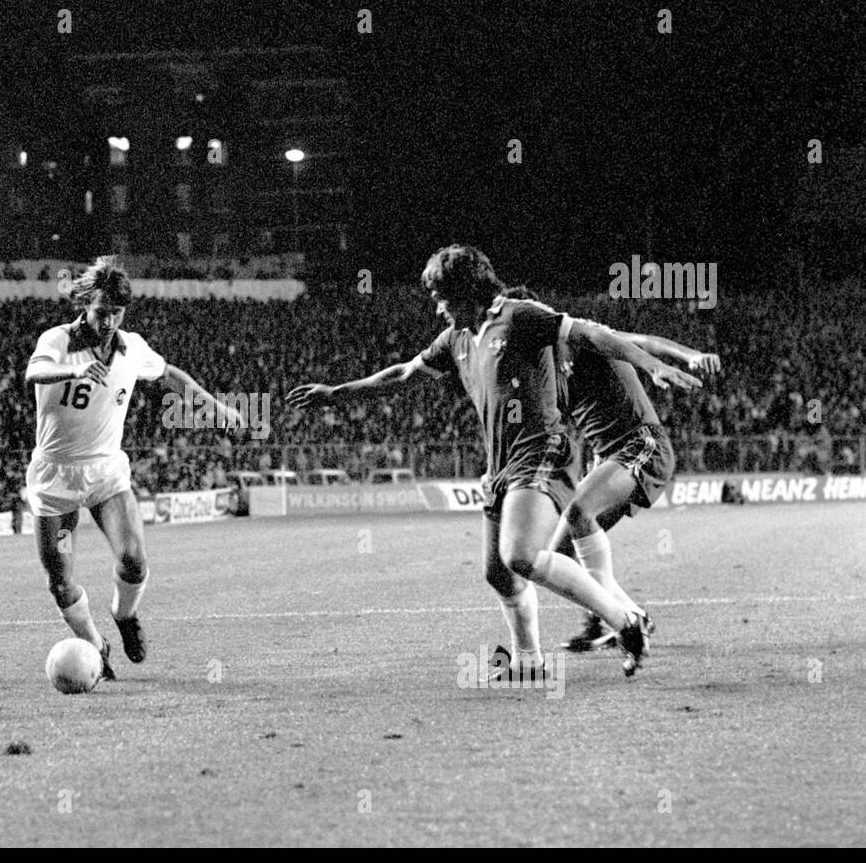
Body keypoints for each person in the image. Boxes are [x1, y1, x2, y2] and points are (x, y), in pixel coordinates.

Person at [288, 244, 702, 678]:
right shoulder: (456, 340)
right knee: (498, 573)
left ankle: (625, 621)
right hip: (501, 466)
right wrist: (338, 392)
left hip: (541, 452)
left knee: (520, 556)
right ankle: (529, 663)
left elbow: (592, 335)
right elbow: (404, 374)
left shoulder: (518, 316)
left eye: (440, 298)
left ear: (465, 291)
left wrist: (651, 365)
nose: (437, 309)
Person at [24, 255, 241, 679]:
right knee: (61, 582)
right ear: (86, 304)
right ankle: (94, 644)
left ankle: (124, 616)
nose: (107, 322)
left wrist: (216, 408)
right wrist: (77, 368)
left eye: (116, 314)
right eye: (101, 312)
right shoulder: (58, 340)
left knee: (134, 560)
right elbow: (35, 372)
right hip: (55, 478)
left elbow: (171, 376)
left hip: (106, 474)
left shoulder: (132, 347)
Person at [500, 287, 722, 650]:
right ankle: (629, 617)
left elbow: (643, 342)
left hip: (642, 443)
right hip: (608, 458)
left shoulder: (578, 337)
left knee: (577, 514)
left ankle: (614, 621)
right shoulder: (542, 371)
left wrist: (689, 356)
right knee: (558, 555)